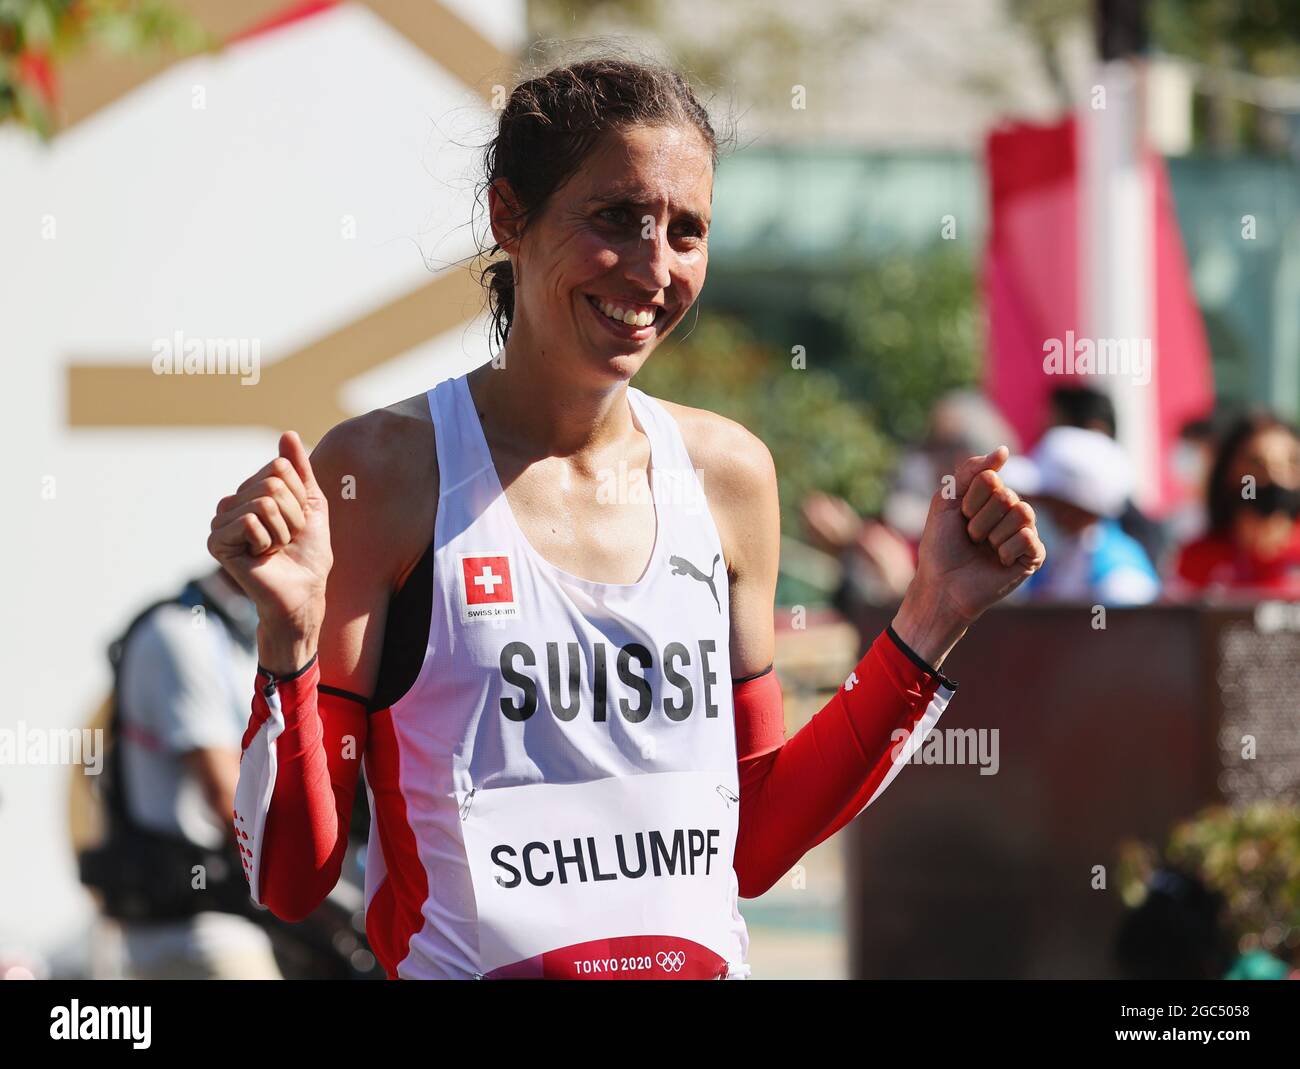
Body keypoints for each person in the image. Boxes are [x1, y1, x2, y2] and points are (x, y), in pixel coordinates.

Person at [206, 57, 1045, 980]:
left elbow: (755, 841)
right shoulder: (386, 471)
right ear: (508, 217)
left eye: (688, 231)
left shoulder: (728, 475)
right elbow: (290, 881)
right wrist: (288, 646)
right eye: (615, 217)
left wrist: (933, 613)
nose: (654, 270)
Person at [85, 569, 282, 979]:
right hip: (200, 933)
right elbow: (230, 800)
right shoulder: (184, 633)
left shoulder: (225, 633)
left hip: (201, 925)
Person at [1000, 425, 1159, 605]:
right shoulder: (1059, 557)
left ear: (1075, 509)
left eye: (1045, 502)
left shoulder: (1122, 579)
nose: (1032, 509)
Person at [1172, 411, 1300, 598]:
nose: (1275, 477)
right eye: (1257, 464)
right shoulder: (1198, 559)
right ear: (1229, 473)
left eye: (1290, 464)